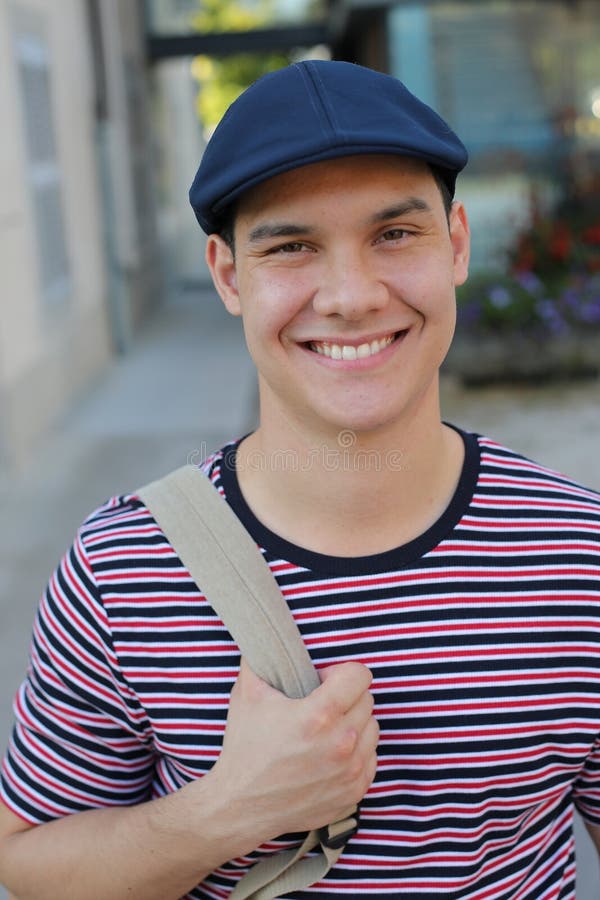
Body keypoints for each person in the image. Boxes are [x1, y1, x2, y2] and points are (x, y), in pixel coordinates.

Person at [0, 60, 599, 900]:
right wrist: (227, 811)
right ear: (228, 275)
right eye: (291, 247)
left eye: (395, 234)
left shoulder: (579, 555)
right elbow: (28, 863)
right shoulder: (122, 570)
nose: (352, 296)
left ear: (456, 244)